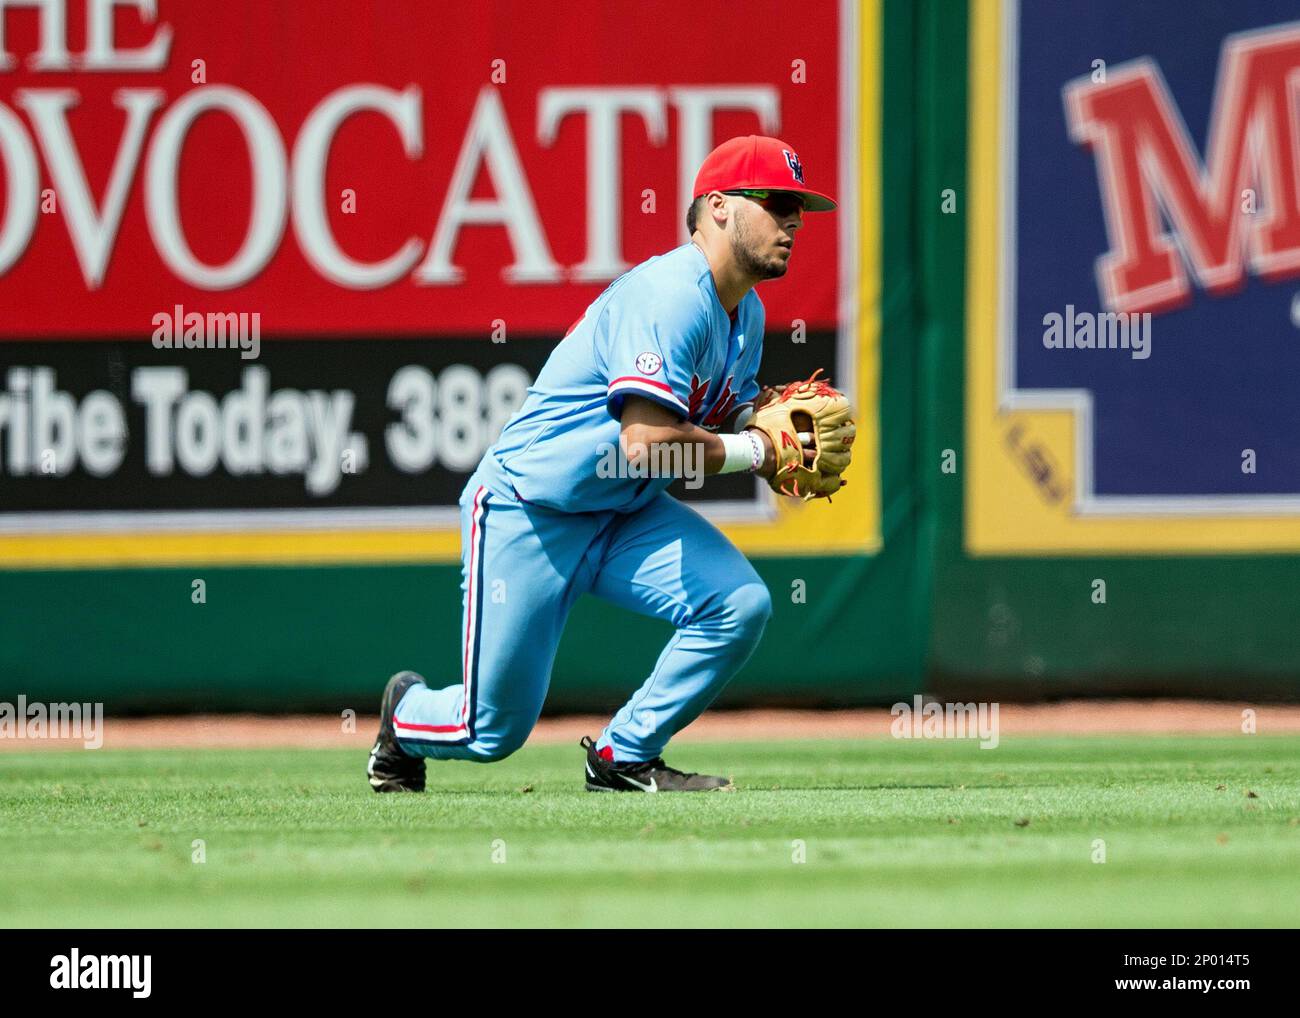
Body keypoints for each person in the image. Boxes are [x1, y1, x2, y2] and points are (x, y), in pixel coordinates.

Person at [367, 135, 836, 793]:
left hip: (624, 512)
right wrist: (756, 450)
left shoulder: (745, 314)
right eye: (778, 202)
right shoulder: (669, 295)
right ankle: (406, 716)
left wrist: (761, 417)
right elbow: (644, 441)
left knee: (738, 605)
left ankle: (624, 757)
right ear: (721, 207)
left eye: (799, 208)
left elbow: (718, 409)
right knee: (491, 730)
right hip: (531, 512)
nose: (793, 220)